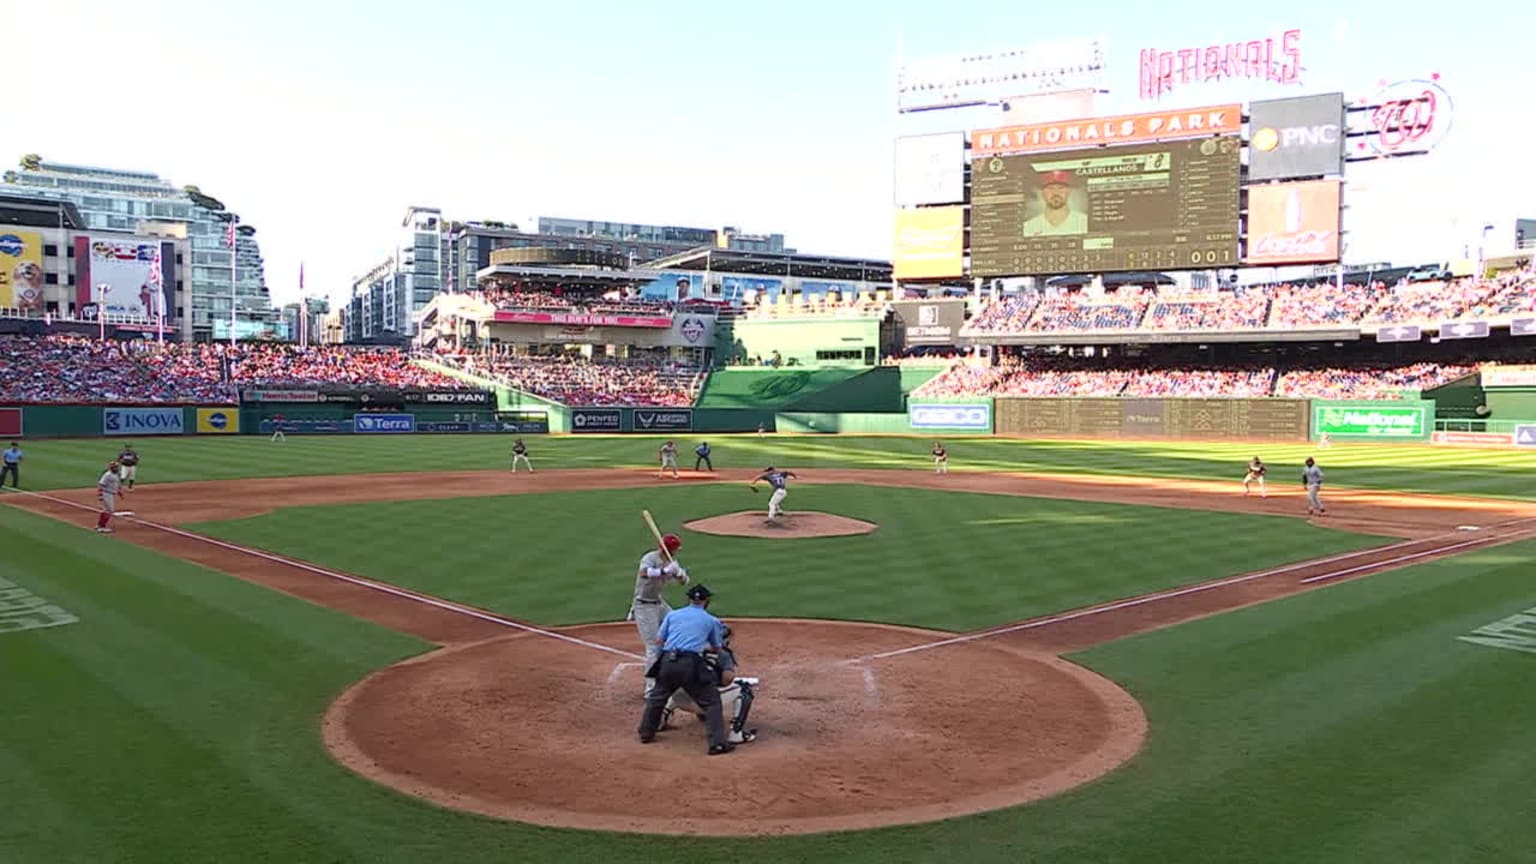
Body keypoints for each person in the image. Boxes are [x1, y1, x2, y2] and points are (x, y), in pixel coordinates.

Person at [637, 583, 736, 756]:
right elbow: (716, 648)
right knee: (712, 702)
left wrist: (662, 664)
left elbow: (659, 642)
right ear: (706, 601)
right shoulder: (710, 620)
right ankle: (717, 744)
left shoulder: (673, 615)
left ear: (689, 599)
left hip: (668, 660)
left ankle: (646, 733)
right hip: (690, 663)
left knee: (657, 697)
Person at [663, 623, 759, 744]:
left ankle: (660, 720)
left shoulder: (687, 648)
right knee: (744, 690)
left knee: (680, 681)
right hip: (706, 703)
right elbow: (727, 679)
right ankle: (736, 733)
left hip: (678, 699)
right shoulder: (723, 654)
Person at [632, 532, 691, 698]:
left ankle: (675, 673)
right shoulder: (650, 558)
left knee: (679, 627)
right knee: (653, 647)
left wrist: (680, 574)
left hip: (659, 603)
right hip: (644, 606)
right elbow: (644, 573)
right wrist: (664, 571)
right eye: (675, 549)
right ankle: (651, 689)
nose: (676, 552)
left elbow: (685, 582)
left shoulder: (672, 561)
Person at [1021, 170, 1088, 237]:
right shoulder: (1028, 227)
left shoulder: (1084, 223)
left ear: (1069, 191)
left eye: (1061, 188)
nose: (1056, 193)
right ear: (1042, 192)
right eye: (1050, 188)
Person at [96, 461, 126, 534]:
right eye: (115, 467)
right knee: (109, 511)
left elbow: (115, 485)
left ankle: (99, 525)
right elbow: (100, 485)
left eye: (117, 467)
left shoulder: (116, 474)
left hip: (110, 494)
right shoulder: (107, 475)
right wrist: (100, 495)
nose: (117, 468)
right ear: (112, 467)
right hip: (106, 494)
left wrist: (119, 493)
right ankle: (102, 527)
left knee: (105, 510)